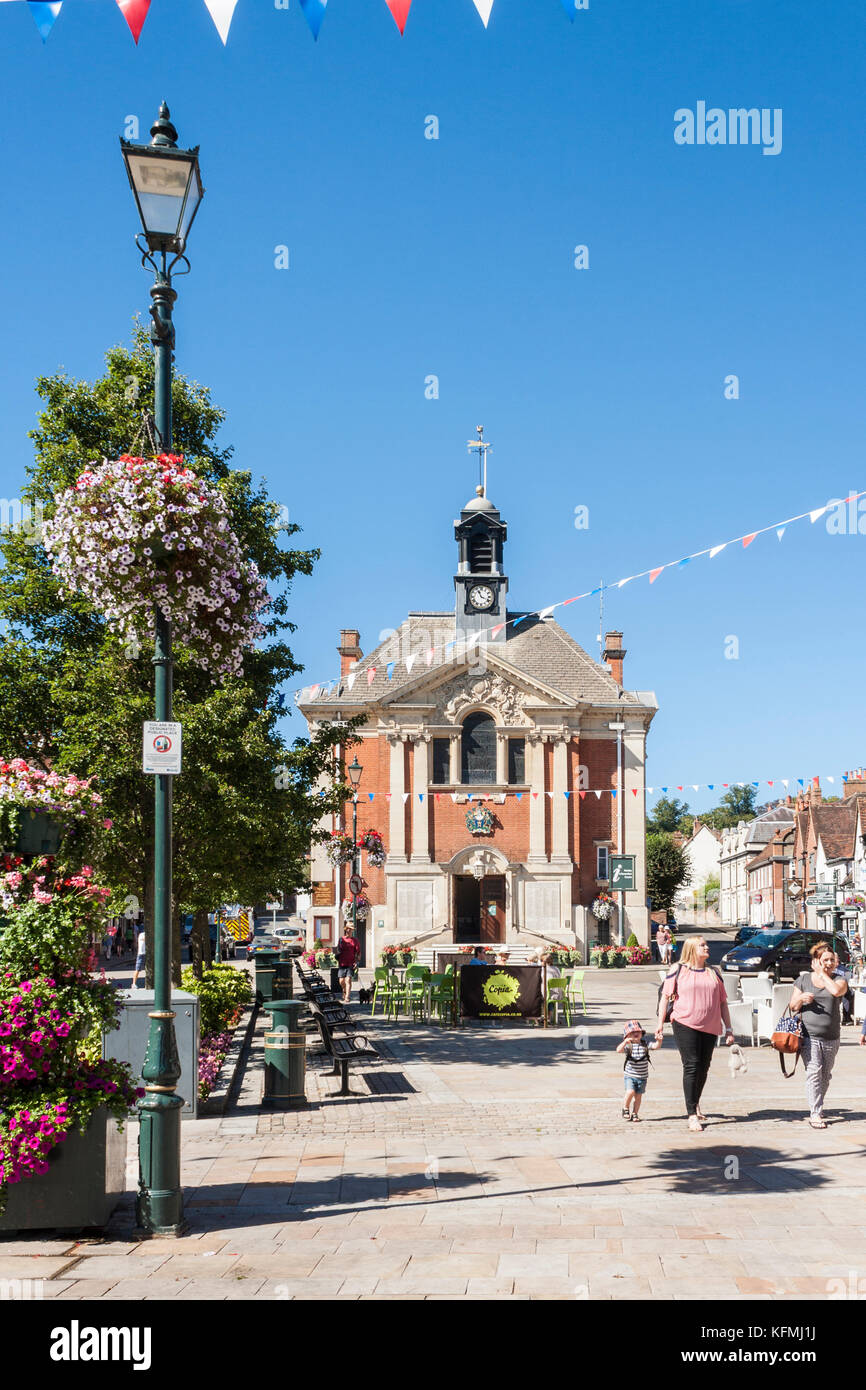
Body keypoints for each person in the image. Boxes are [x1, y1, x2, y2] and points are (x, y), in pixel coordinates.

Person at [656, 935, 734, 1132]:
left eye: (706, 944)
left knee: (704, 1067)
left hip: (710, 1025)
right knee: (691, 1065)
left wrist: (729, 1029)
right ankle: (691, 1114)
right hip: (684, 1022)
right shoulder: (678, 969)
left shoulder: (713, 972)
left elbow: (723, 1003)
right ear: (691, 949)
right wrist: (659, 1025)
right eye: (702, 945)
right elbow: (665, 998)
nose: (707, 947)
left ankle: (695, 1101)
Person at [790, 940, 847, 1129]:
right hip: (808, 1035)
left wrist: (823, 974)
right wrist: (801, 998)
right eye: (825, 960)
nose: (829, 963)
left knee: (825, 1075)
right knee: (814, 1072)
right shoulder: (804, 980)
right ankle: (815, 1113)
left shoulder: (839, 979)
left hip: (831, 1036)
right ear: (816, 961)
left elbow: (836, 992)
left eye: (832, 960)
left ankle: (818, 1105)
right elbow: (793, 1006)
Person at [616, 1019, 661, 1122]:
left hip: (642, 1077)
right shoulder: (628, 1045)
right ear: (627, 1035)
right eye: (632, 1032)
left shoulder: (645, 1044)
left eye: (638, 1032)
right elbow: (618, 1050)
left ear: (642, 1033)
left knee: (638, 1097)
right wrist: (625, 1042)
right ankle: (625, 1108)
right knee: (630, 1091)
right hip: (630, 1075)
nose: (635, 1033)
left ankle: (635, 1113)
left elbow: (656, 1046)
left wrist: (659, 1041)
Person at [336, 924, 361, 1003]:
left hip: (351, 963)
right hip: (342, 963)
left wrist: (357, 962)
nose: (349, 930)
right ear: (346, 929)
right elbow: (338, 950)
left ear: (352, 930)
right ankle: (344, 990)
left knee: (348, 980)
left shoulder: (355, 940)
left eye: (351, 929)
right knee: (341, 981)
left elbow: (358, 952)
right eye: (348, 928)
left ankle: (347, 997)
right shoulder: (341, 939)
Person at [130, 923, 147, 990]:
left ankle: (134, 983)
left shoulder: (140, 935)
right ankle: (134, 983)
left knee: (137, 969)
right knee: (138, 969)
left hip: (140, 953)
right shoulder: (143, 935)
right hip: (142, 953)